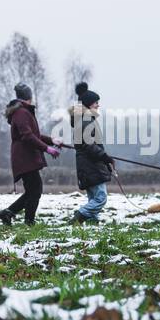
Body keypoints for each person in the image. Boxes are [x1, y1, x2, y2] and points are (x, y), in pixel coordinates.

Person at [0, 83, 62, 226]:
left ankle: (9, 213)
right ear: (29, 97)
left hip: (26, 158)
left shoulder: (22, 112)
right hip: (25, 158)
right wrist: (47, 149)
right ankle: (26, 220)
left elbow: (34, 135)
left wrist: (52, 141)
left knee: (33, 191)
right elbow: (27, 136)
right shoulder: (22, 113)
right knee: (35, 190)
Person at [69, 81, 112, 224]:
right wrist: (104, 156)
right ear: (88, 105)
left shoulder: (84, 119)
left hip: (87, 165)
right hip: (91, 165)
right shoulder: (86, 120)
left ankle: (93, 222)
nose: (98, 105)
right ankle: (80, 215)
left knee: (93, 198)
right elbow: (89, 145)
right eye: (96, 103)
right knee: (101, 198)